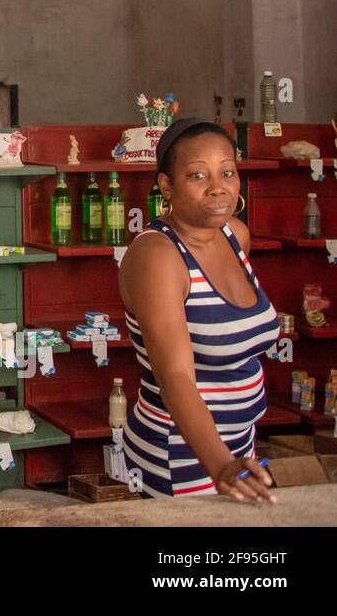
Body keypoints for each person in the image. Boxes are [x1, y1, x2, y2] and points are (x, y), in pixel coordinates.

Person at [119, 119, 279, 501]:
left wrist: (233, 457)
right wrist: (220, 465)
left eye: (227, 172)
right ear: (166, 186)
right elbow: (175, 376)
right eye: (197, 175)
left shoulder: (234, 235)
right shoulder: (157, 255)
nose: (217, 187)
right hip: (182, 451)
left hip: (239, 444)